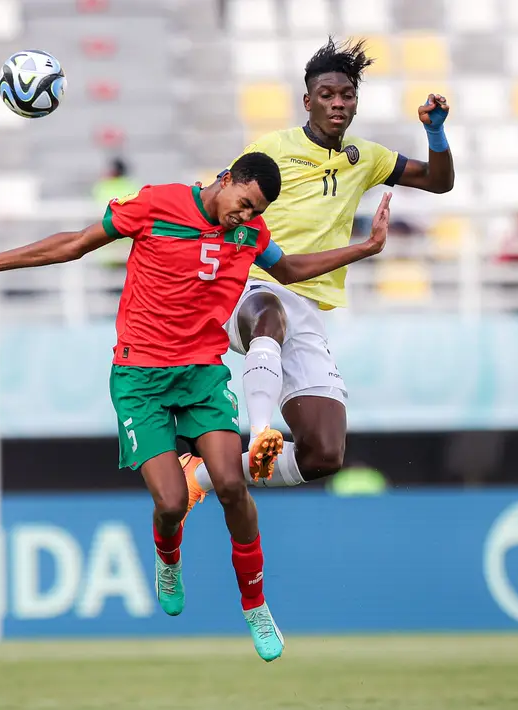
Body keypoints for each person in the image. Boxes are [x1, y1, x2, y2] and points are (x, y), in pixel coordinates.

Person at [0, 152, 394, 661]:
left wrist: (365, 248)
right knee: (172, 502)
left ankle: (256, 606)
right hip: (140, 379)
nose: (245, 216)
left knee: (231, 484)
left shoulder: (250, 233)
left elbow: (288, 269)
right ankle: (168, 556)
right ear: (227, 179)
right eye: (244, 203)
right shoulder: (157, 204)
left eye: (256, 211)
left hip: (202, 376)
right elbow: (76, 243)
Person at [181, 37, 454, 509]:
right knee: (268, 312)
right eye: (327, 95)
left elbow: (439, 181)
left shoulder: (367, 157)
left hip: (305, 304)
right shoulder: (272, 148)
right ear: (308, 101)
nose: (338, 103)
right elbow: (218, 197)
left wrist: (435, 133)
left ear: (356, 102)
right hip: (249, 284)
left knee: (324, 454)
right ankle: (260, 430)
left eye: (346, 95)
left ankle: (200, 477)